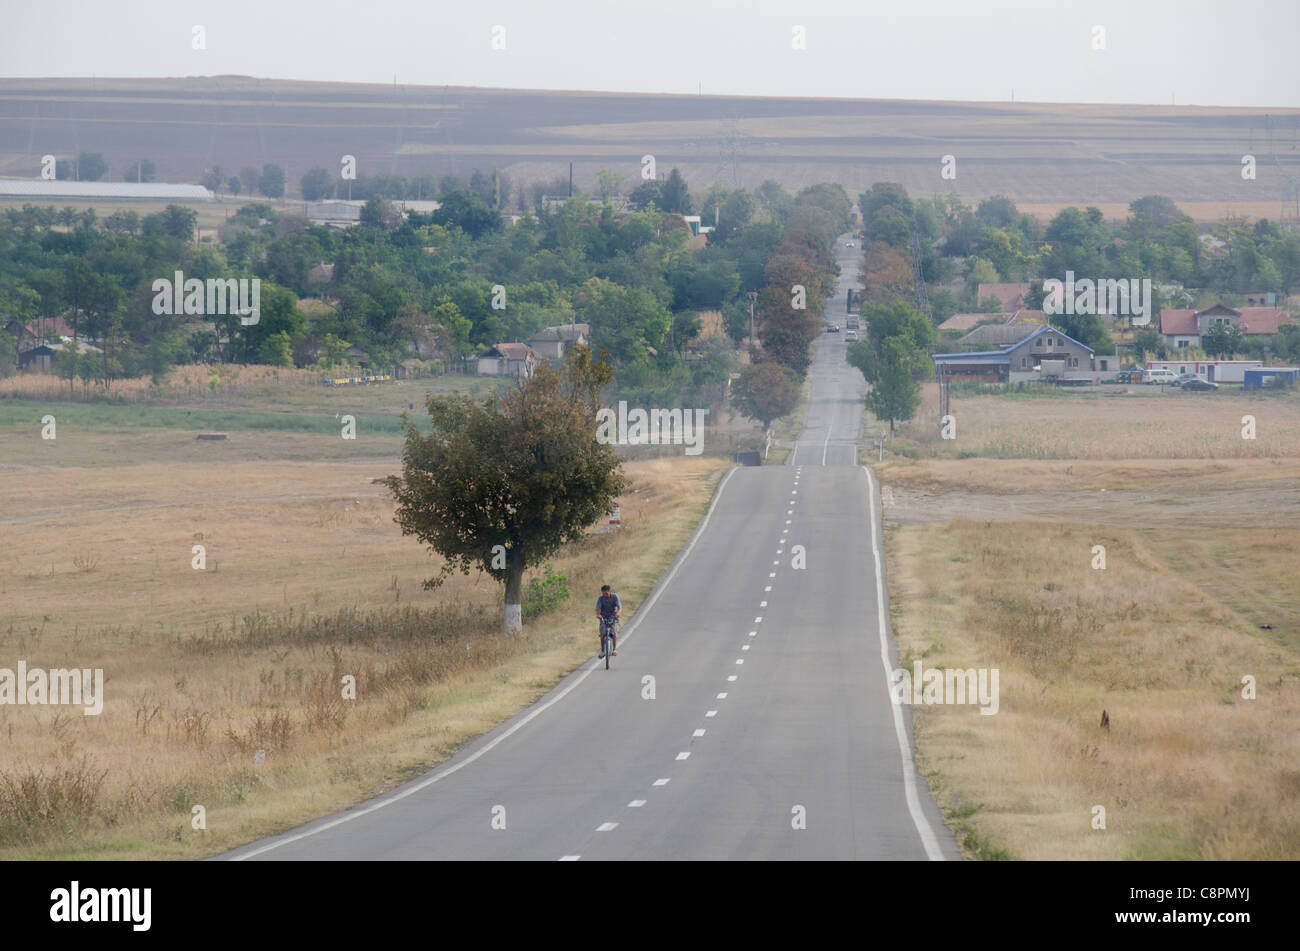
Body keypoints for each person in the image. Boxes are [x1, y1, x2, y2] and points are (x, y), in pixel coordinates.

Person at [595, 584, 621, 657]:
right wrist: (598, 615)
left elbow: (619, 607)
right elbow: (598, 608)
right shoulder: (600, 598)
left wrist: (618, 613)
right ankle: (602, 650)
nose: (605, 595)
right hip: (603, 617)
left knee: (614, 632)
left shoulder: (615, 597)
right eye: (603, 594)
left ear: (609, 592)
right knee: (603, 633)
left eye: (606, 593)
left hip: (614, 617)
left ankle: (614, 649)